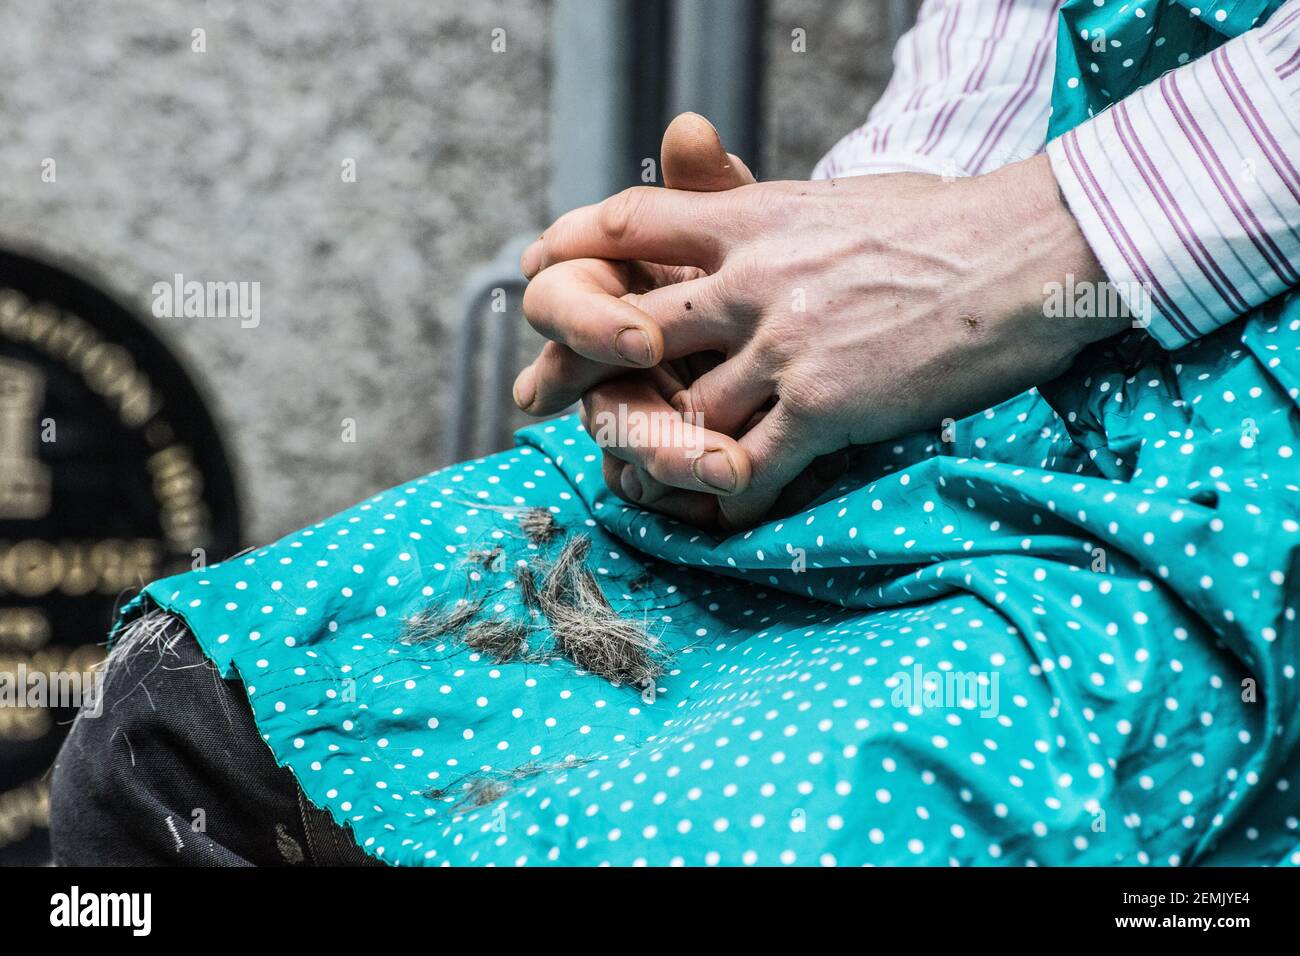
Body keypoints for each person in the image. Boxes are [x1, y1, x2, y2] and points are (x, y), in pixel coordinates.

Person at [53, 0, 1300, 866]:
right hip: (994, 359)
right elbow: (1021, 39)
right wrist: (818, 257)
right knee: (174, 723)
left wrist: (1045, 239)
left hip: (1245, 452)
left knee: (819, 824)